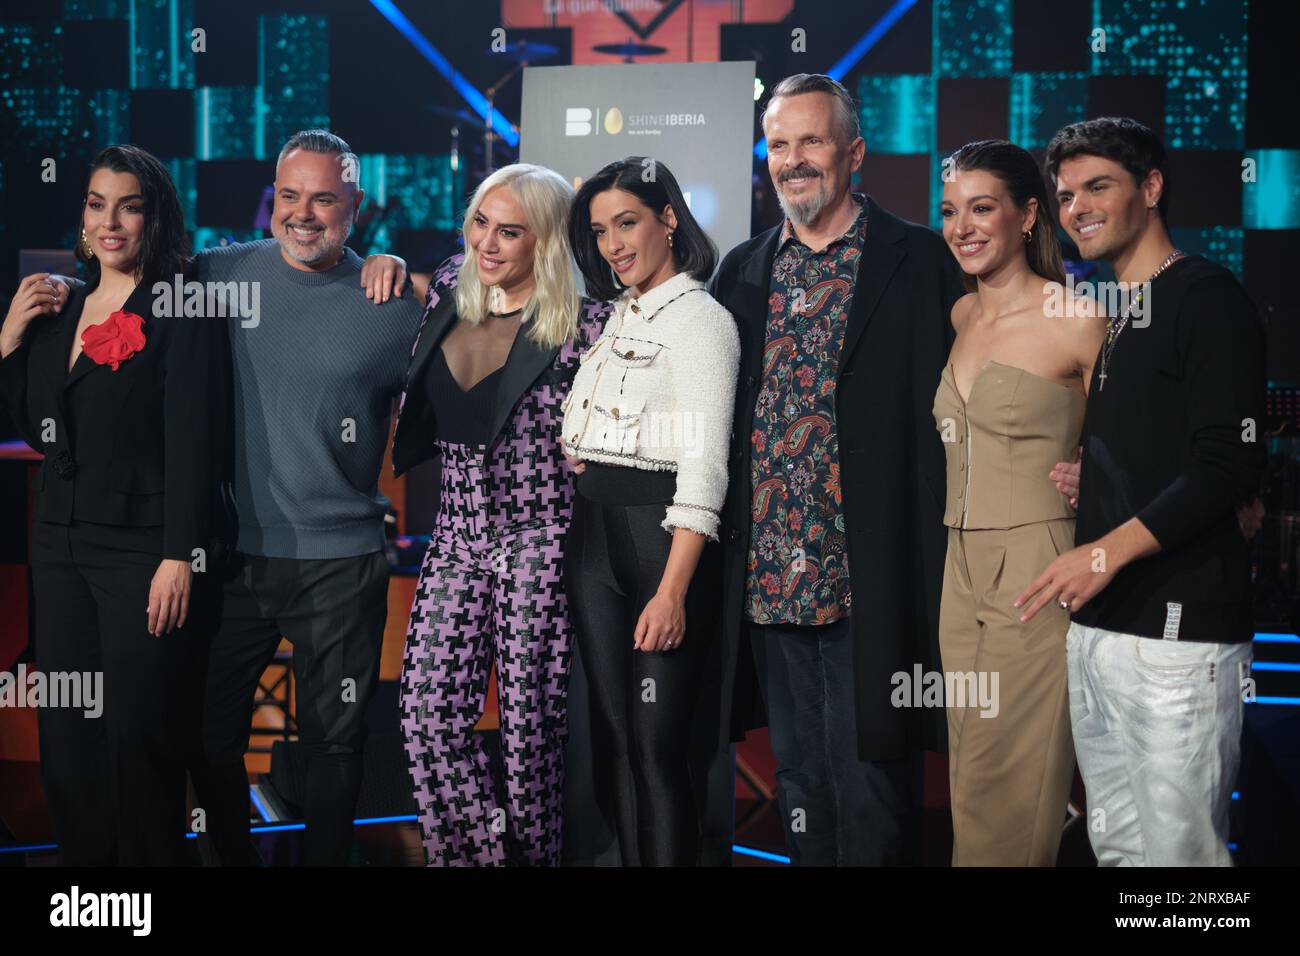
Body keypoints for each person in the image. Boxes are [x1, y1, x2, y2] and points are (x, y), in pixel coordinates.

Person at [708, 74, 1083, 866]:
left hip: (879, 576)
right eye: (778, 144)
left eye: (811, 141)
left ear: (855, 153)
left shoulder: (921, 259)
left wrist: (1081, 454)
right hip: (770, 578)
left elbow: (1010, 374)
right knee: (803, 788)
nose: (793, 161)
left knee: (876, 789)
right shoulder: (740, 271)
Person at [1018, 117, 1266, 866]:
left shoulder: (1206, 295)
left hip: (1177, 640)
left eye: (1098, 187)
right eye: (1065, 194)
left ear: (1150, 188)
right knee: (1121, 848)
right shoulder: (1124, 313)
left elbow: (1230, 465)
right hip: (1102, 632)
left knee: (1180, 863)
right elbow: (1171, 450)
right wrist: (1098, 479)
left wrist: (1102, 553)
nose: (1077, 208)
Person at [177, 129, 426, 866]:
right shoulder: (218, 276)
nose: (304, 214)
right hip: (234, 556)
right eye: (290, 196)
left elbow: (487, 308)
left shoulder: (392, 303)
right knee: (206, 735)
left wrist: (403, 269)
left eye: (324, 199)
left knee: (334, 746)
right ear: (272, 198)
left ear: (356, 205)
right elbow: (125, 282)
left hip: (342, 565)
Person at [363, 164, 608, 865]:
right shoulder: (449, 285)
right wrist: (383, 259)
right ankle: (475, 855)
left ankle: (534, 858)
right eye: (479, 223)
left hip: (544, 540)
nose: (487, 244)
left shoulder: (585, 327)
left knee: (533, 731)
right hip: (458, 534)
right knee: (426, 716)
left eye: (510, 231)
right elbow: (404, 280)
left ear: (548, 242)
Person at [0, 145, 229, 865]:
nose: (110, 221)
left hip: (143, 552)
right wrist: (8, 336)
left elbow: (196, 440)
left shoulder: (181, 303)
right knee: (68, 741)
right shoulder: (58, 304)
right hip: (59, 548)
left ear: (153, 215)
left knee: (138, 738)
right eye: (97, 204)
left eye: (128, 206)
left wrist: (177, 554)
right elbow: (35, 421)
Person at [560, 156, 739, 866]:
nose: (613, 244)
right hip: (593, 537)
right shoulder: (616, 317)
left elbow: (704, 468)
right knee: (618, 744)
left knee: (657, 750)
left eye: (627, 222)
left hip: (656, 544)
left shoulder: (701, 321)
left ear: (668, 218)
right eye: (600, 230)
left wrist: (672, 591)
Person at [933, 139, 1104, 865]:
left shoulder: (1081, 317)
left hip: (1039, 567)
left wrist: (1093, 472)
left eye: (981, 209)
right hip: (958, 568)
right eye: (949, 212)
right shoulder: (960, 318)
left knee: (1014, 773)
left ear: (1029, 215)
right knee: (969, 772)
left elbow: (1146, 440)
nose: (962, 227)